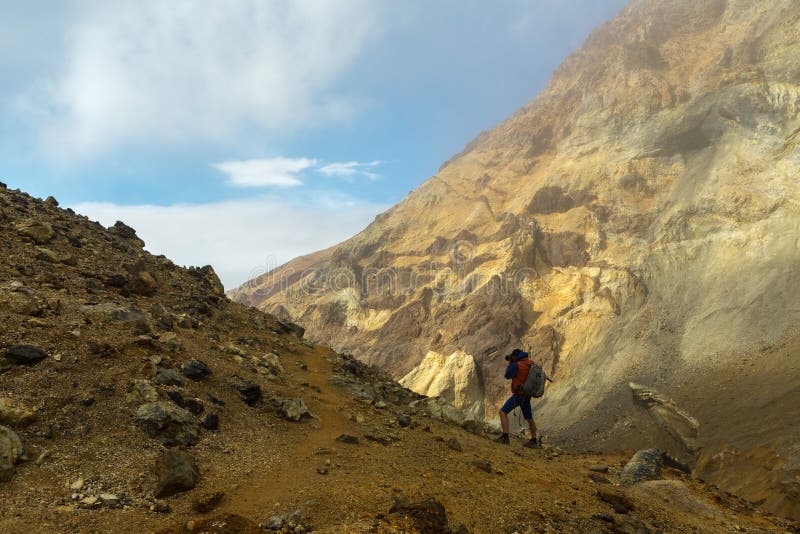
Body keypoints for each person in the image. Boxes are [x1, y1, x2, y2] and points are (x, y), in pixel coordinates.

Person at [495, 348, 540, 448]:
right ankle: (534, 440)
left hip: (518, 395)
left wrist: (511, 363)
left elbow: (507, 375)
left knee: (502, 412)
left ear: (515, 356)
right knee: (529, 418)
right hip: (527, 395)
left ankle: (505, 437)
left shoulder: (517, 365)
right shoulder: (530, 363)